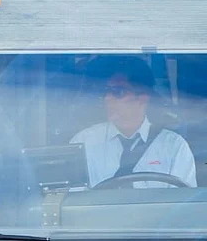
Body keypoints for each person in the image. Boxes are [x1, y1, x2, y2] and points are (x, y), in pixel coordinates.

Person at [70, 56, 197, 188]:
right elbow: (72, 201)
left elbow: (183, 204)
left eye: (118, 92)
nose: (107, 98)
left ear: (143, 97)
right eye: (106, 91)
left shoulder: (174, 146)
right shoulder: (84, 142)